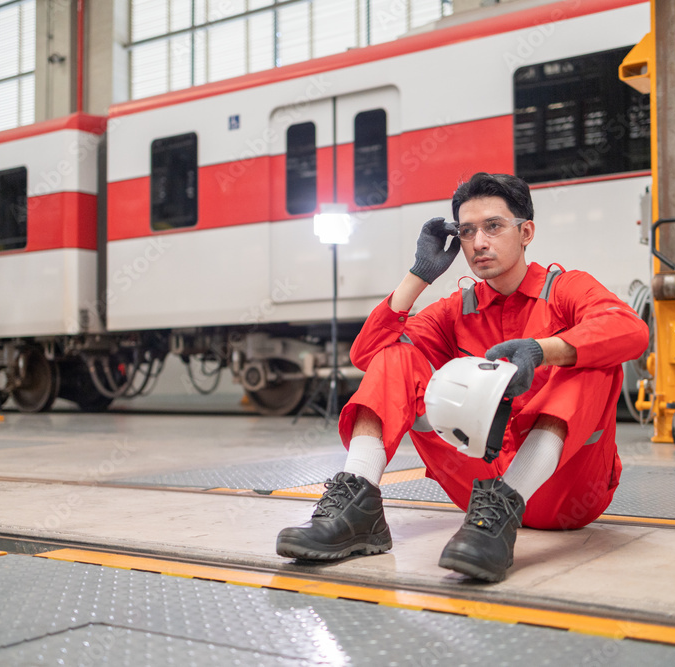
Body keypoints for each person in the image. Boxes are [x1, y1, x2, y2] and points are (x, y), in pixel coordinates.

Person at [276, 172, 649, 582]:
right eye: (467, 231)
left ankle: (509, 502)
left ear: (526, 232)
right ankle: (358, 508)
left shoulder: (565, 289)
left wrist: (545, 350)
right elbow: (369, 354)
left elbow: (631, 331)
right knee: (399, 355)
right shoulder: (457, 309)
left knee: (593, 357)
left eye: (493, 227)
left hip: (568, 491)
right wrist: (418, 275)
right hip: (479, 495)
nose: (479, 243)